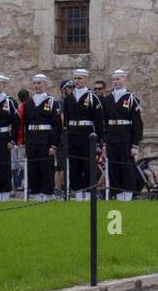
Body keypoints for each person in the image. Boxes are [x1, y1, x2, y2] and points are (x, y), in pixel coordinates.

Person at [103, 68, 143, 200]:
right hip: (111, 137)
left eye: (118, 79)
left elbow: (137, 124)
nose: (115, 81)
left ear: (125, 80)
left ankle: (128, 194)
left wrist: (135, 145)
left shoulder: (131, 99)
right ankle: (117, 193)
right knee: (113, 167)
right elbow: (103, 123)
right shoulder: (107, 100)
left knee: (126, 166)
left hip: (125, 137)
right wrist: (104, 143)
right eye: (114, 79)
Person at [64, 68, 104, 200]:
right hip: (73, 134)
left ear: (85, 79)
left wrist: (99, 140)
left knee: (88, 166)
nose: (77, 81)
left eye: (80, 78)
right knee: (74, 165)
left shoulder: (92, 97)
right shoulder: (69, 98)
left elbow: (98, 120)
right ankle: (77, 192)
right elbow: (66, 119)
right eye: (75, 78)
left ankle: (88, 193)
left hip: (87, 135)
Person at [22, 74, 63, 200]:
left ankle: (47, 193)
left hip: (45, 139)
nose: (37, 86)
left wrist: (54, 144)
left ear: (45, 84)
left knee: (46, 167)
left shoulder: (52, 102)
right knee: (33, 167)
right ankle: (35, 193)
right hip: (32, 139)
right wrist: (25, 143)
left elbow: (57, 125)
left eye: (39, 83)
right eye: (35, 83)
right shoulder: (29, 103)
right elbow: (26, 124)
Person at [55, 79, 74, 195]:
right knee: (62, 164)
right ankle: (58, 188)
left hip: (66, 135)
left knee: (63, 164)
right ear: (64, 89)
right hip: (63, 135)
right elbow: (62, 120)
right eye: (70, 88)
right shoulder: (62, 102)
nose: (72, 90)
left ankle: (62, 187)